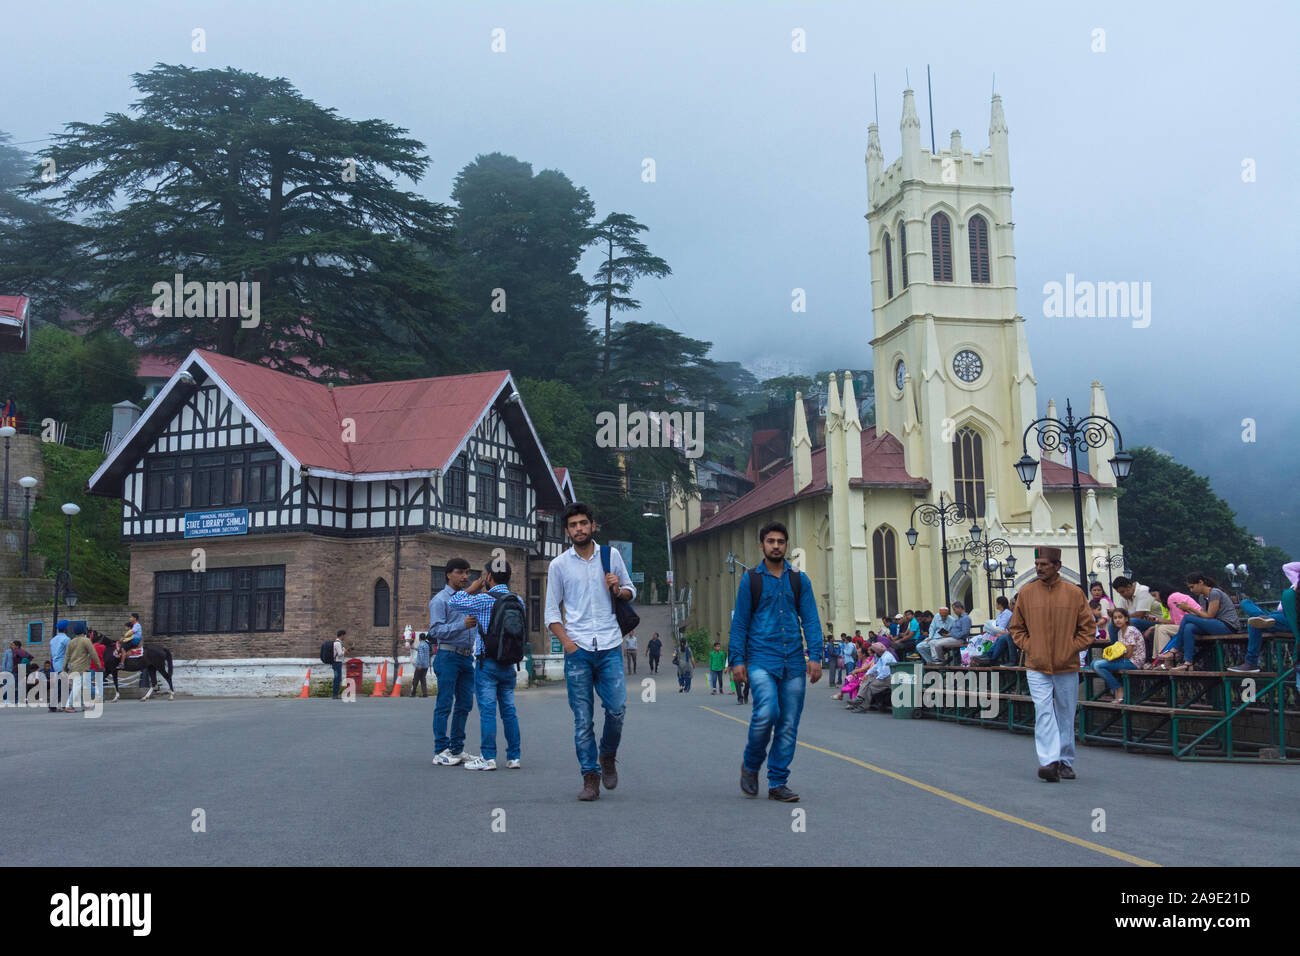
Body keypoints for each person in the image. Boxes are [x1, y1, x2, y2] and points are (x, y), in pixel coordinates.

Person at [544, 502, 634, 802]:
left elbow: (631, 591)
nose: (579, 529)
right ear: (567, 530)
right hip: (578, 649)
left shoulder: (611, 556)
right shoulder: (558, 566)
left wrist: (619, 588)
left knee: (617, 709)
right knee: (582, 719)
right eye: (573, 525)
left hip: (609, 645)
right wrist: (569, 644)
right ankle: (590, 776)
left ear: (592, 525)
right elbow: (551, 614)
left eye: (584, 523)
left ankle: (607, 754)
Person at [730, 521, 823, 803]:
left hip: (793, 661)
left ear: (786, 546)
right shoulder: (751, 580)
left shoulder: (799, 579)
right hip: (760, 658)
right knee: (767, 712)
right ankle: (751, 763)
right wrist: (737, 660)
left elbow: (810, 619)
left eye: (780, 541)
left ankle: (778, 782)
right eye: (770, 541)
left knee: (788, 723)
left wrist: (816, 655)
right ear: (762, 545)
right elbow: (740, 623)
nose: (776, 546)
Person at [1008, 546, 1095, 782]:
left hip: (1066, 663)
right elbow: (1016, 628)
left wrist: (1072, 647)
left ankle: (1065, 761)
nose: (1038, 568)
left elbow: (1088, 629)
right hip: (1036, 663)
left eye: (1044, 565)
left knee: (1066, 712)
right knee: (1044, 710)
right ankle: (1049, 761)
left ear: (1057, 566)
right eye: (1037, 565)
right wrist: (1029, 645)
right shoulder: (1026, 593)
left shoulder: (1074, 594)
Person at [450, 560, 524, 771]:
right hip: (509, 663)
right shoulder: (518, 600)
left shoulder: (483, 599)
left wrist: (472, 588)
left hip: (486, 663)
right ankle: (514, 757)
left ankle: (488, 757)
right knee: (509, 711)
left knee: (488, 711)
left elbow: (454, 603)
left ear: (489, 577)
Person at [429, 558, 480, 766]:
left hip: (467, 656)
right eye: (460, 572)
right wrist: (462, 624)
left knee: (465, 704)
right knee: (444, 703)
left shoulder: (466, 598)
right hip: (448, 655)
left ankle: (456, 748)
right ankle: (440, 749)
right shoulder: (440, 600)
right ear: (448, 574)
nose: (465, 576)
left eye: (467, 572)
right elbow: (435, 631)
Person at [1154, 573, 1241, 670]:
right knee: (1189, 627)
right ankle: (1188, 663)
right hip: (1214, 624)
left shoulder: (1214, 593)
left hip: (1227, 626)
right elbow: (1202, 615)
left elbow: (1209, 616)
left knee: (1187, 618)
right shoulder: (1202, 597)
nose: (1191, 590)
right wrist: (1187, 610)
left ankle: (1174, 650)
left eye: (1192, 587)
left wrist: (1189, 608)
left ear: (1200, 582)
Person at [1231, 561, 1300, 673]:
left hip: (1290, 618)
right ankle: (1263, 617)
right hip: (1277, 614)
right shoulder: (1296, 581)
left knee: (1254, 623)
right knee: (1245, 602)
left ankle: (1251, 663)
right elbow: (1287, 567)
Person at [1093, 608, 1147, 703]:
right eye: (1115, 618)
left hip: (1133, 662)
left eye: (1120, 617)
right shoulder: (1119, 632)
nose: (1117, 620)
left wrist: (1116, 656)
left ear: (1126, 619)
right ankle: (1117, 687)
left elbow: (1129, 654)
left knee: (1098, 665)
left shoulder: (1130, 630)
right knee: (1093, 663)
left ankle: (1118, 688)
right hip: (1124, 660)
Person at [848, 642, 897, 712]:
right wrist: (867, 674)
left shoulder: (886, 657)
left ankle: (863, 706)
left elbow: (885, 673)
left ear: (877, 651)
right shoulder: (882, 656)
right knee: (865, 680)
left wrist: (875, 679)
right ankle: (859, 698)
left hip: (889, 678)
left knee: (870, 686)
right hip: (882, 677)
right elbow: (875, 667)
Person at [62, 625, 98, 713]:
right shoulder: (86, 640)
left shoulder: (71, 642)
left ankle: (83, 705)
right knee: (77, 687)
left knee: (81, 686)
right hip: (82, 667)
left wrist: (64, 667)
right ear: (83, 631)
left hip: (73, 667)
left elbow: (67, 656)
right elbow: (93, 653)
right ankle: (69, 705)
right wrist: (98, 663)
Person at [49, 622, 71, 713]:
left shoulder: (53, 640)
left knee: (61, 685)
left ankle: (62, 705)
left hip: (55, 664)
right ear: (65, 629)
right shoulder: (66, 639)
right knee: (61, 685)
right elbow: (69, 652)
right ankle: (53, 705)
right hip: (63, 664)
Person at [409, 631, 431, 697]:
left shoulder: (421, 645)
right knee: (423, 679)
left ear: (419, 638)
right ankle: (425, 693)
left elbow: (421, 655)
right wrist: (415, 648)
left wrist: (420, 665)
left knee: (415, 679)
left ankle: (413, 693)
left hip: (420, 665)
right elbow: (422, 652)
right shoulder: (427, 645)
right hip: (426, 665)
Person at [331, 630, 349, 699]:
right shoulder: (338, 643)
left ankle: (335, 694)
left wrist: (348, 649)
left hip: (337, 662)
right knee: (337, 679)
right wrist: (344, 651)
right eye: (344, 635)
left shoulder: (339, 643)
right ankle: (335, 694)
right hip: (337, 663)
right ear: (341, 635)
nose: (345, 637)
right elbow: (340, 654)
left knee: (337, 678)